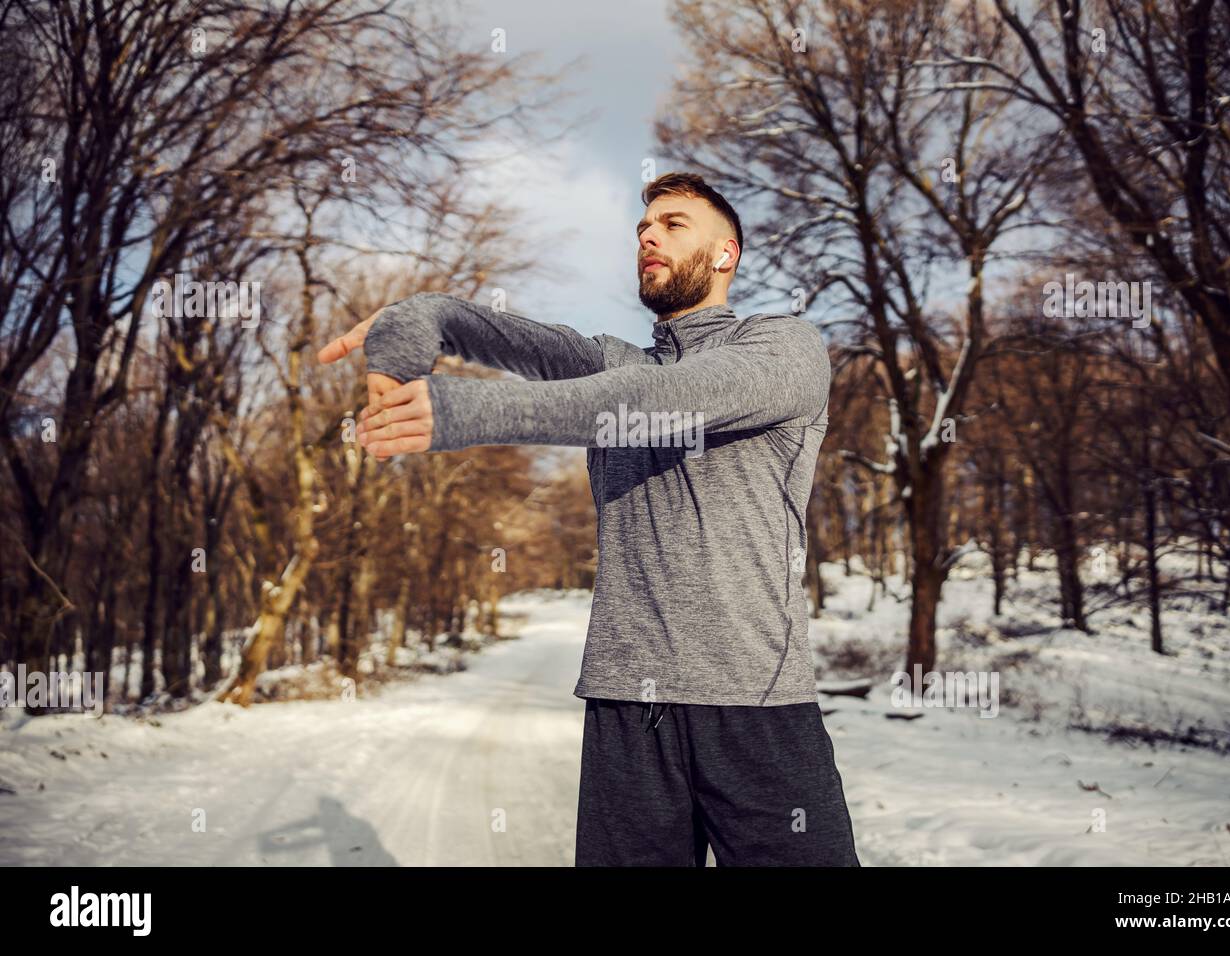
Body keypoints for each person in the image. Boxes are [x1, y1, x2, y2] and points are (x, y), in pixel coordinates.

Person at [318, 171, 860, 867]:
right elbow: (511, 340)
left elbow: (656, 397)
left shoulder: (783, 349)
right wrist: (423, 315)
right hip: (625, 709)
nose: (649, 236)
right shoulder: (618, 361)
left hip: (756, 704)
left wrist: (463, 411)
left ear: (726, 253)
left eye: (672, 224)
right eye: (643, 228)